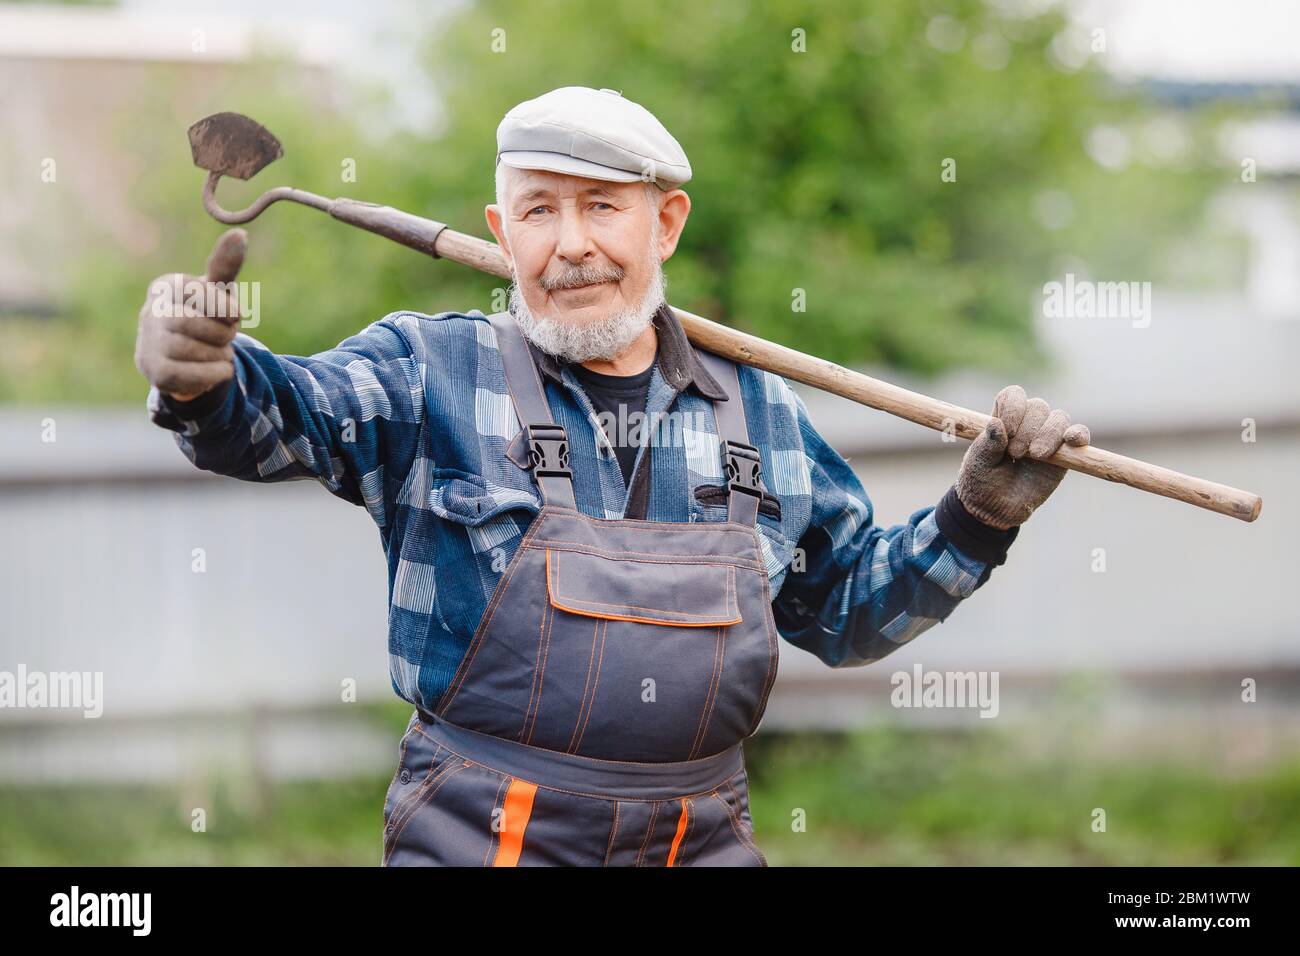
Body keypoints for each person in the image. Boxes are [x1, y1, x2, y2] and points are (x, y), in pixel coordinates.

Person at [134, 86, 1090, 866]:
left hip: (698, 837)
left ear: (665, 222)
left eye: (601, 205)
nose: (572, 242)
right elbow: (286, 416)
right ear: (501, 233)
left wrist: (973, 520)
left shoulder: (762, 414)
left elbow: (846, 616)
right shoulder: (431, 374)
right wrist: (206, 379)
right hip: (482, 832)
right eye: (538, 211)